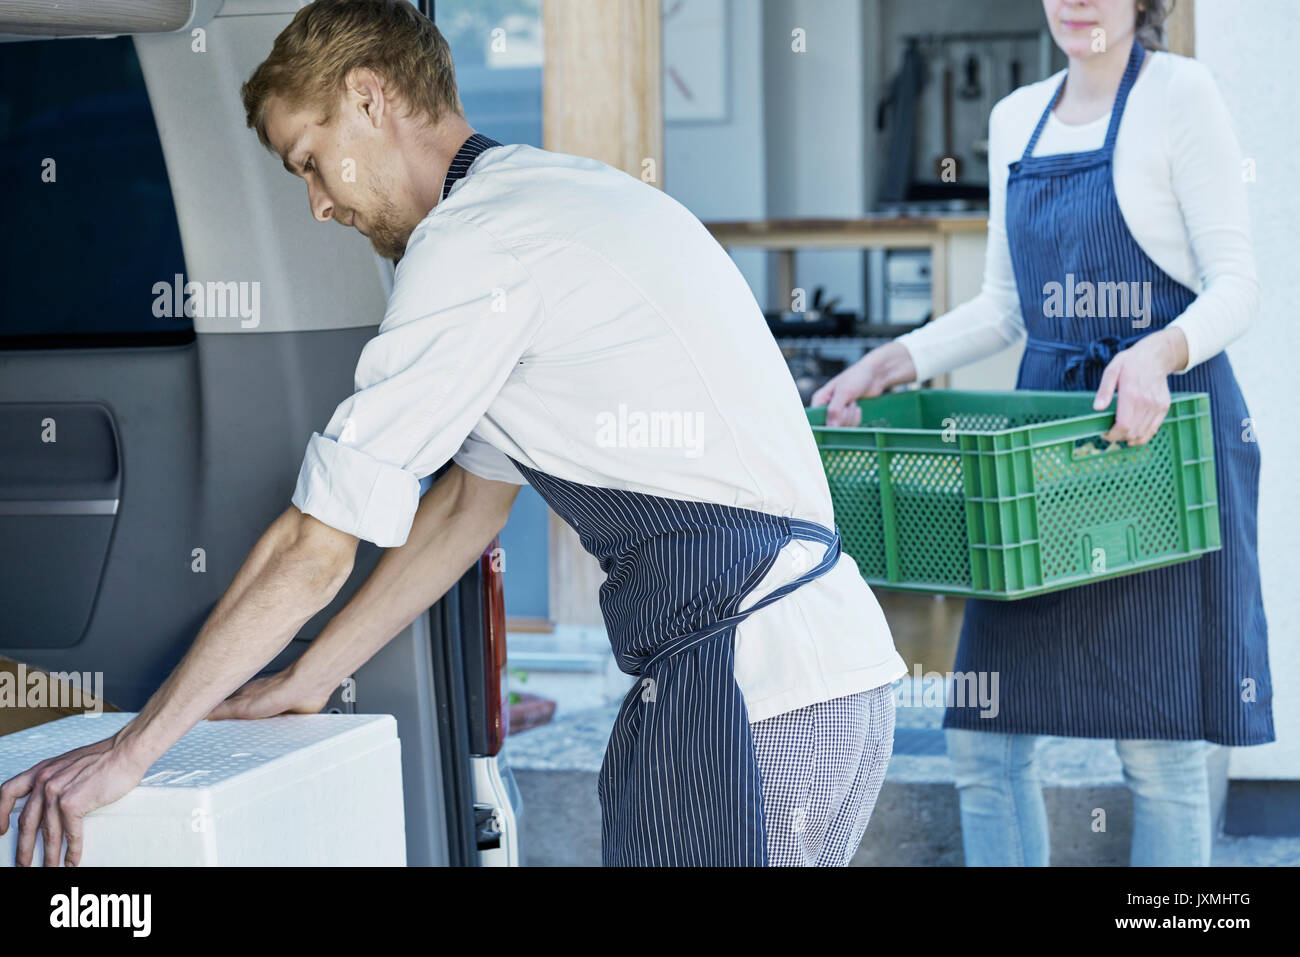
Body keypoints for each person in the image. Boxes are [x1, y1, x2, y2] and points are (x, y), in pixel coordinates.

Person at [0, 0, 906, 868]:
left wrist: (131, 753)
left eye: (309, 160)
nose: (316, 203)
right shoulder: (542, 200)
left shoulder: (476, 245)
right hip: (814, 676)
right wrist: (313, 676)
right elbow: (468, 506)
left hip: (748, 684)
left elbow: (317, 544)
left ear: (368, 96)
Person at [814, 0, 1272, 867]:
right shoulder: (1016, 115)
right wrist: (893, 361)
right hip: (1042, 462)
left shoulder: (1184, 94)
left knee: (1162, 746)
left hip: (1161, 447)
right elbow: (1004, 309)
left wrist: (1154, 352)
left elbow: (1237, 285)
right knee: (985, 735)